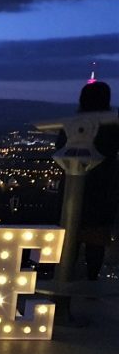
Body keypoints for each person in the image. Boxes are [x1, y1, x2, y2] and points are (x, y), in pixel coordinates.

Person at [58, 78, 119, 280]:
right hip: (103, 191)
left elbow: (60, 149)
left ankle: (63, 281)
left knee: (69, 240)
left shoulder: (72, 125)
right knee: (95, 242)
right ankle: (91, 283)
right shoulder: (111, 127)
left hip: (72, 189)